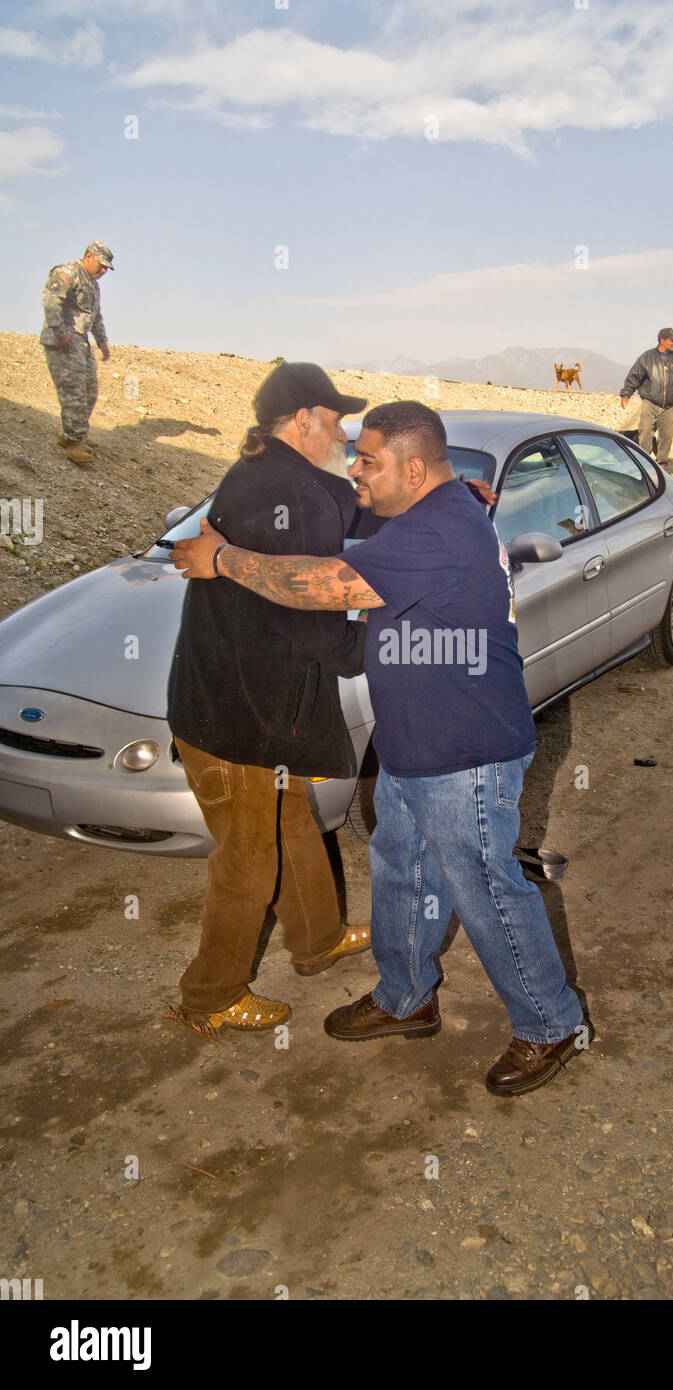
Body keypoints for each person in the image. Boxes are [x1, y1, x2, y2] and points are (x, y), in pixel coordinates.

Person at [171, 401, 589, 1096]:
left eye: (367, 461)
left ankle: (552, 1023)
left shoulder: (439, 531)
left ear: (415, 469)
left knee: (486, 891)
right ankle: (406, 997)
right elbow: (341, 534)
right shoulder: (435, 512)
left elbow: (320, 585)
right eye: (353, 455)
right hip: (415, 745)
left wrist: (222, 558)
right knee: (402, 871)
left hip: (468, 756)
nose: (353, 470)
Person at [165, 362, 374, 1041]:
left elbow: (336, 512)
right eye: (336, 418)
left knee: (289, 821)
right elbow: (309, 621)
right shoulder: (293, 494)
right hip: (239, 720)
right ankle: (212, 994)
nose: (344, 430)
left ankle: (318, 940)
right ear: (303, 420)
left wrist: (433, 495)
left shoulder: (263, 476)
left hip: (236, 702)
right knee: (248, 856)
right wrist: (370, 645)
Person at [40, 240, 114, 465]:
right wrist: (58, 331)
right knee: (73, 390)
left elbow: (95, 316)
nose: (102, 271)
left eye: (106, 269)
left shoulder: (92, 285)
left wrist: (102, 342)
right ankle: (74, 442)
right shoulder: (67, 272)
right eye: (100, 265)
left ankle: (71, 434)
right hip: (62, 339)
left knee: (90, 389)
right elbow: (51, 301)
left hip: (80, 341)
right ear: (89, 256)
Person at [619, 328, 673, 468]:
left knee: (666, 437)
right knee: (645, 434)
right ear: (662, 340)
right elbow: (634, 376)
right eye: (672, 340)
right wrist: (626, 394)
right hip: (649, 403)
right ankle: (643, 465)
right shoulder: (647, 357)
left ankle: (662, 466)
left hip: (669, 406)